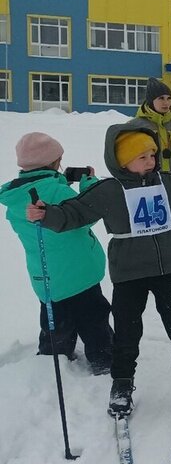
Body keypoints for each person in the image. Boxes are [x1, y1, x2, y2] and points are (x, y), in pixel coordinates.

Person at [26, 122, 171, 414]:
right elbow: (75, 212)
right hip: (129, 273)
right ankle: (122, 382)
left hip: (167, 269)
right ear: (123, 161)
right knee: (127, 331)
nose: (150, 161)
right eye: (142, 157)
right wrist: (46, 215)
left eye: (152, 155)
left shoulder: (166, 181)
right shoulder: (109, 190)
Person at [1, 133, 113, 374]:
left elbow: (47, 204)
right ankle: (103, 359)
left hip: (46, 279)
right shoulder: (57, 192)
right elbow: (86, 216)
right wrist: (89, 187)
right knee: (94, 321)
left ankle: (53, 358)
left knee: (55, 324)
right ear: (53, 162)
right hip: (79, 274)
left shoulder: (16, 197)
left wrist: (60, 183)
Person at [136, 77, 171, 176]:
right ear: (151, 101)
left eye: (169, 98)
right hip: (151, 182)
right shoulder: (136, 125)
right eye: (161, 98)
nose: (166, 103)